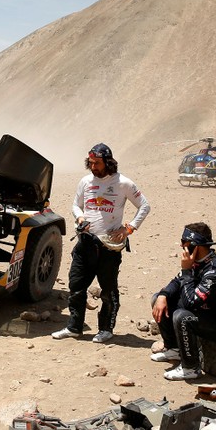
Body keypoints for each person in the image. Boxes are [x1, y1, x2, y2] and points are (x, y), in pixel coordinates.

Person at [52, 143, 151, 343]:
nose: (93, 167)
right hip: (85, 243)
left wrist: (129, 228)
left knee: (108, 289)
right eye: (90, 163)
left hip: (108, 247)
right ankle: (74, 327)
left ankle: (106, 329)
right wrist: (80, 219)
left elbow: (144, 206)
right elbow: (76, 205)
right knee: (76, 285)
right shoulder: (85, 182)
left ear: (108, 162)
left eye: (97, 163)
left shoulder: (123, 183)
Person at [150, 222, 216, 380]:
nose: (181, 245)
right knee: (158, 299)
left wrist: (186, 271)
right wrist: (163, 295)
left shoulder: (214, 272)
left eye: (184, 242)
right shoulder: (196, 262)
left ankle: (191, 367)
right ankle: (174, 348)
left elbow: (191, 302)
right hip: (204, 313)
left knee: (181, 316)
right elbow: (177, 282)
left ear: (195, 246)